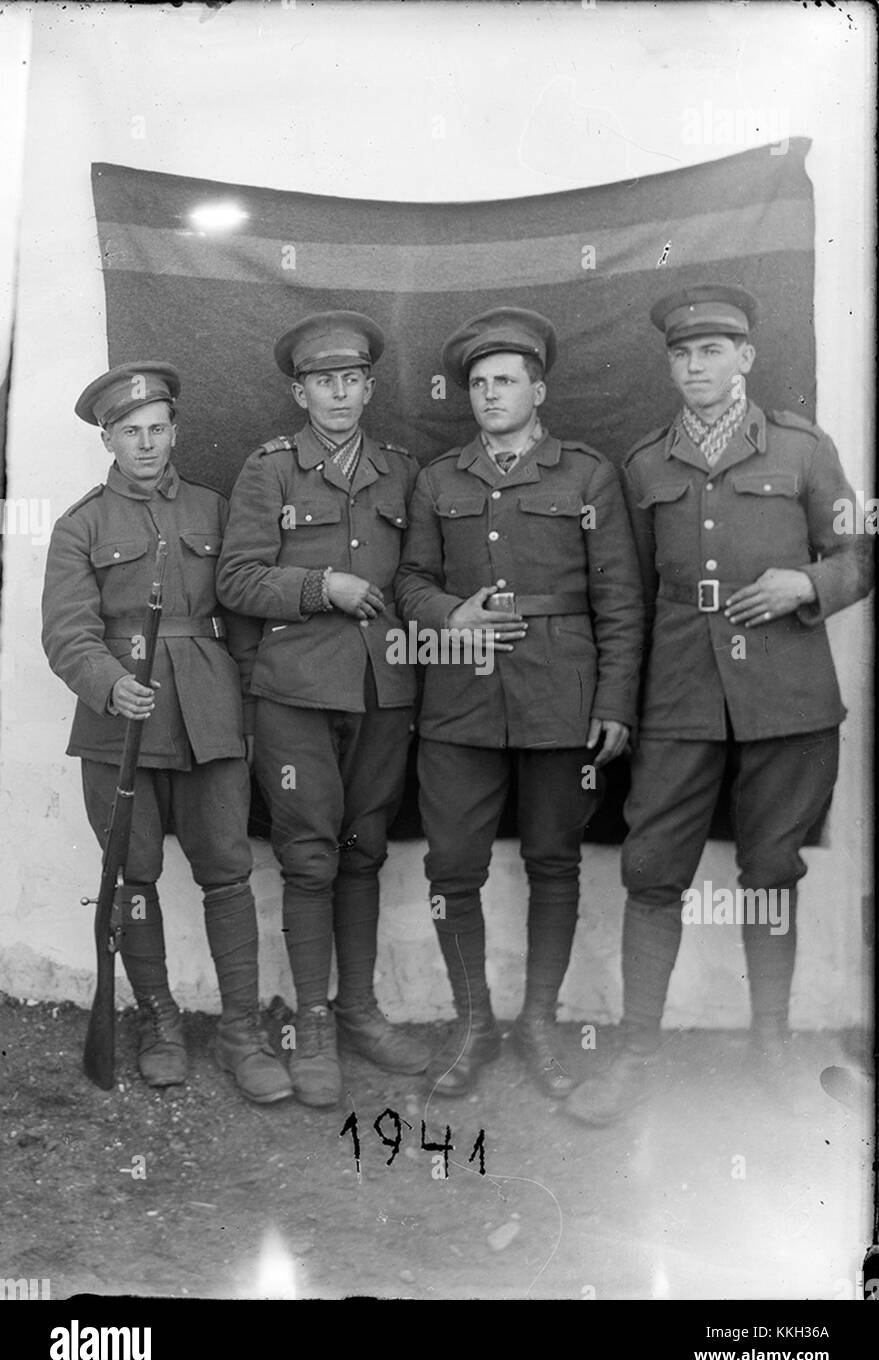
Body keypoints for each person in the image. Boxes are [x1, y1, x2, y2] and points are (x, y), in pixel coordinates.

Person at [566, 284, 874, 1125]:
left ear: (744, 357)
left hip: (786, 695)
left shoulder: (804, 450)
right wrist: (619, 703)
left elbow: (858, 554)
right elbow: (623, 597)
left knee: (770, 872)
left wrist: (802, 582)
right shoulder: (642, 465)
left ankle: (770, 1052)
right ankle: (633, 1055)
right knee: (650, 869)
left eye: (711, 351)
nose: (694, 367)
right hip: (678, 695)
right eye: (680, 353)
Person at [395, 306, 644, 1099]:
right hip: (459, 703)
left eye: (505, 380)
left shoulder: (586, 473)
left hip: (557, 698)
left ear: (538, 388)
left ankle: (538, 1022)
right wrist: (448, 616)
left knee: (554, 863)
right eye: (477, 383)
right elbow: (408, 584)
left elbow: (620, 598)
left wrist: (613, 700)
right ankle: (474, 1025)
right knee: (452, 868)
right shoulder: (438, 479)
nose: (490, 394)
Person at [42, 362, 292, 1104]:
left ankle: (242, 1033)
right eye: (130, 433)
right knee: (136, 873)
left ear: (174, 432)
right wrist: (108, 683)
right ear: (109, 440)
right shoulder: (80, 524)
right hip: (120, 722)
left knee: (227, 869)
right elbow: (65, 633)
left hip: (210, 711)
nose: (146, 444)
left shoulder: (218, 510)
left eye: (158, 430)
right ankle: (160, 1024)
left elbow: (245, 610)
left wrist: (249, 701)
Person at [216, 312, 431, 1108]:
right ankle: (310, 1022)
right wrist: (320, 588)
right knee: (308, 855)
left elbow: (418, 573)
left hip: (384, 691)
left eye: (351, 380)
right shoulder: (268, 470)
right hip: (296, 694)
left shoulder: (403, 469)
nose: (338, 394)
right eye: (322, 382)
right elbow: (234, 580)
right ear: (297, 391)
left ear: (369, 387)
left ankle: (359, 1012)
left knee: (364, 849)